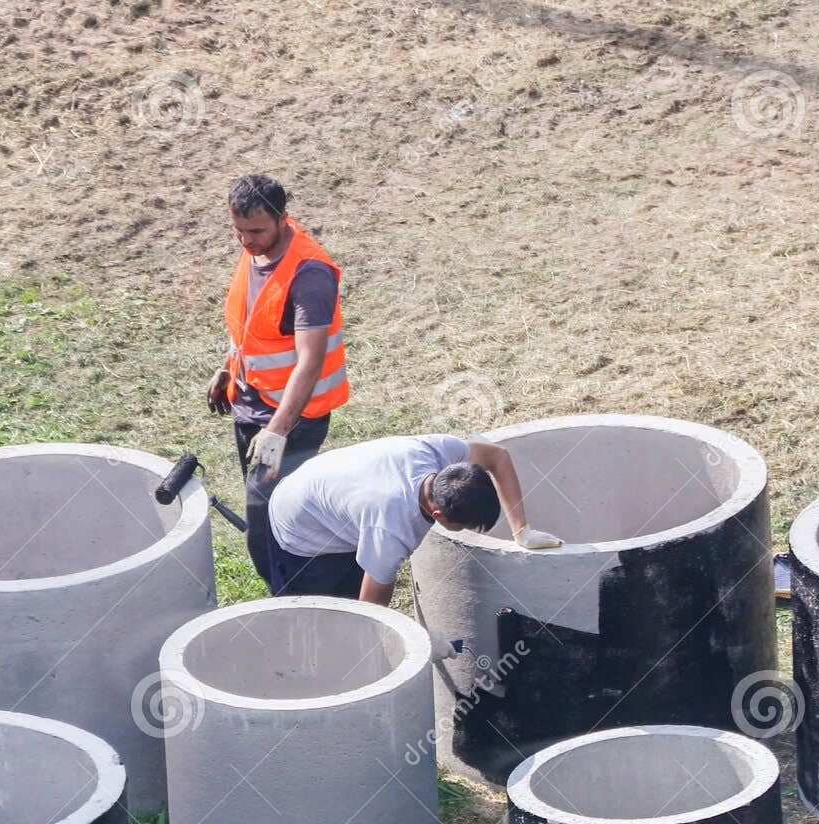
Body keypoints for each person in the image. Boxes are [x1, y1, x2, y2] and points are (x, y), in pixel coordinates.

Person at [205, 173, 349, 588]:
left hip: (292, 418)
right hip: (249, 404)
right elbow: (253, 325)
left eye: (255, 231)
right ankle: (288, 591)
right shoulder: (256, 250)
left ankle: (294, 598)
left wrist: (277, 431)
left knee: (269, 522)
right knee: (264, 519)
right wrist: (228, 366)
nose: (246, 241)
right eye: (238, 230)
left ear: (284, 218)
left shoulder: (310, 276)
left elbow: (309, 361)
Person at [266, 434, 563, 605]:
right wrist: (419, 645)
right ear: (439, 516)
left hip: (328, 489)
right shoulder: (391, 529)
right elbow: (371, 615)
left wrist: (522, 530)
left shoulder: (439, 453)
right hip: (301, 530)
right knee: (327, 624)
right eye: (465, 526)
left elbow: (497, 457)